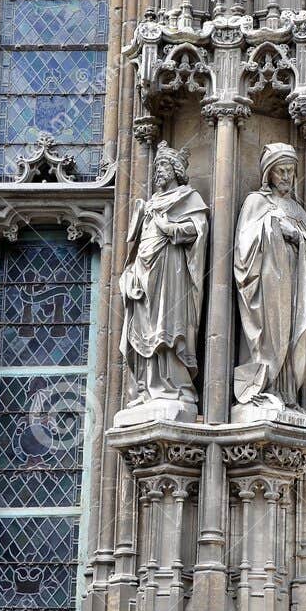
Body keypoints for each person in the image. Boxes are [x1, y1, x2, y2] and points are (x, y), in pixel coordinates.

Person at [119, 141, 208, 410]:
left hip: (172, 271)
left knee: (168, 326)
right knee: (144, 324)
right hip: (144, 270)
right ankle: (147, 387)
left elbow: (198, 229)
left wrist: (170, 228)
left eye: (164, 166)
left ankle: (175, 385)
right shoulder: (150, 203)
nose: (159, 171)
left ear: (176, 170)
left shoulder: (188, 197)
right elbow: (134, 238)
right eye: (156, 166)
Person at [233, 142, 306, 410]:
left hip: (294, 281)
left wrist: (298, 238)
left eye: (290, 171)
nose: (285, 177)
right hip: (268, 283)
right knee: (271, 331)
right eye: (280, 171)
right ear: (268, 174)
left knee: (292, 332)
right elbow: (243, 246)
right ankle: (263, 386)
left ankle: (287, 393)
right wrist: (272, 227)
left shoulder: (298, 210)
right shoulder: (256, 202)